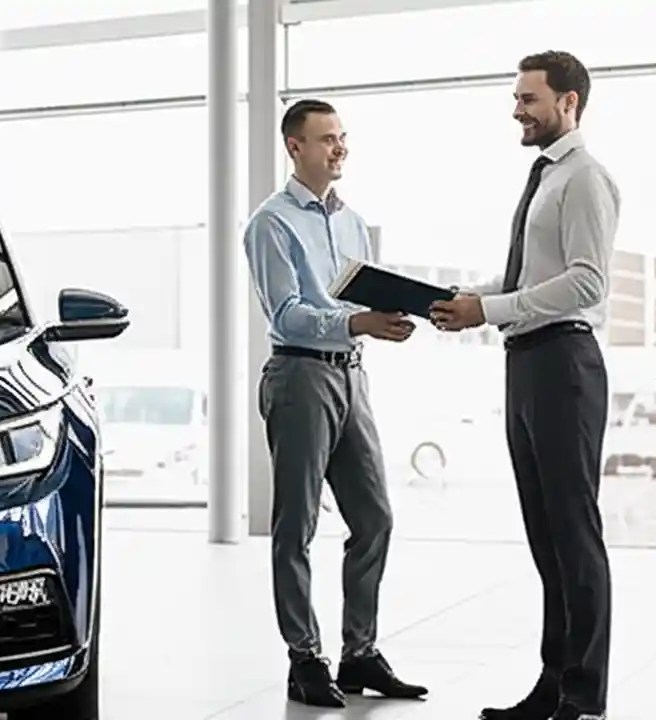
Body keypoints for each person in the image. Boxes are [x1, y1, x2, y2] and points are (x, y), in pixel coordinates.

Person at [429, 50, 619, 720]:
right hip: (527, 363)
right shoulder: (544, 179)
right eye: (516, 97)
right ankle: (552, 683)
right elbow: (526, 280)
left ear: (568, 102)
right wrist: (467, 300)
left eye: (528, 98)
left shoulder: (585, 180)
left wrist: (492, 309)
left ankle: (583, 696)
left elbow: (587, 283)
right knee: (545, 536)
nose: (516, 109)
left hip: (564, 365)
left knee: (573, 534)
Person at [244, 98, 428, 709]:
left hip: (352, 376)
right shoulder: (271, 224)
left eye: (342, 137)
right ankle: (305, 659)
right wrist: (358, 324)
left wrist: (386, 316)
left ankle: (359, 654)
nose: (339, 148)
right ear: (295, 147)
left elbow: (355, 297)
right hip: (298, 378)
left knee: (374, 517)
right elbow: (288, 313)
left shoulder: (351, 222)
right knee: (296, 525)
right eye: (327, 139)